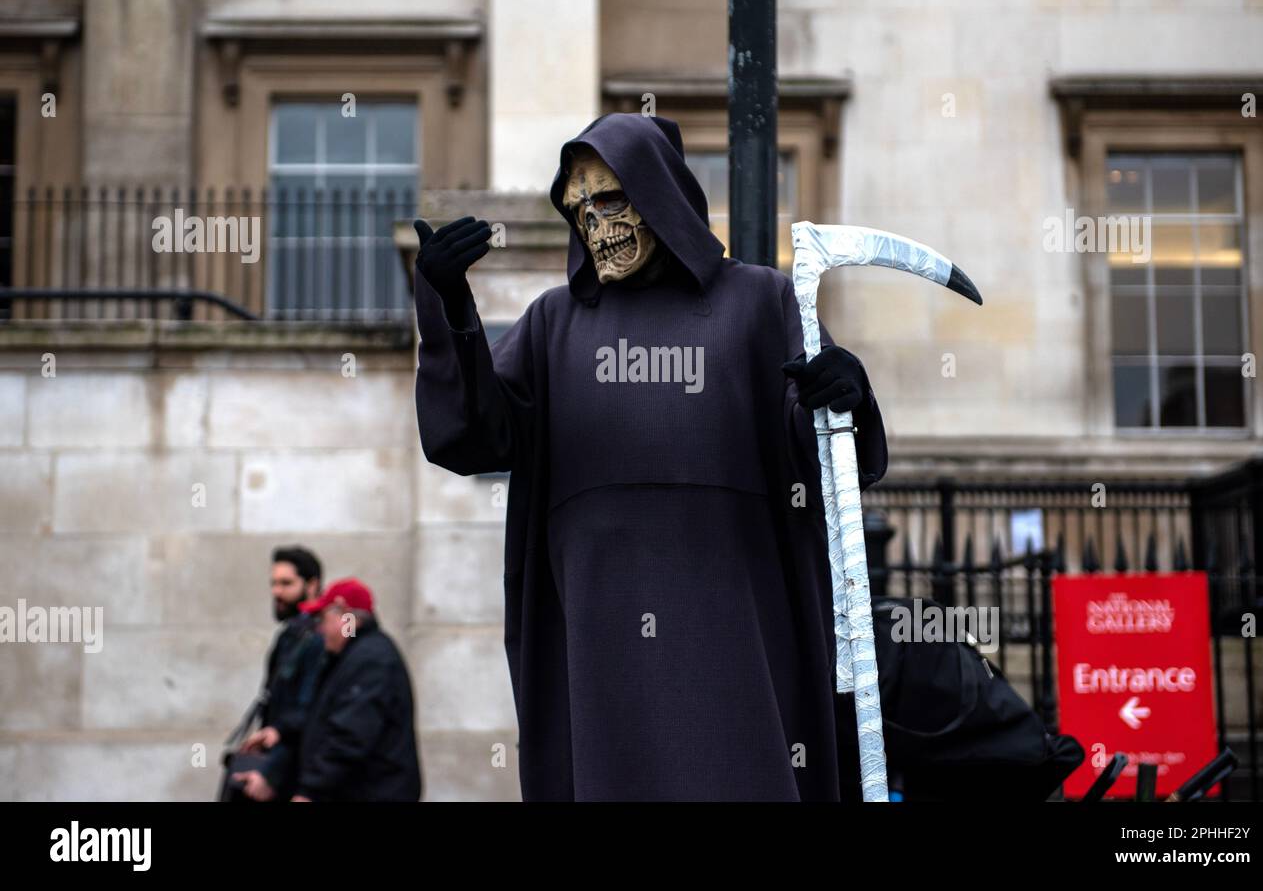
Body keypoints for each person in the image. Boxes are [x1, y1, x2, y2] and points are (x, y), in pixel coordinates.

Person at [412, 113, 888, 800]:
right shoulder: (552, 323)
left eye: (609, 199)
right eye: (579, 210)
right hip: (599, 624)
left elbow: (819, 447)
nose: (594, 224)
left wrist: (843, 395)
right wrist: (446, 303)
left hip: (735, 614)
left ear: (658, 192)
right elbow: (473, 434)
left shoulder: (759, 299)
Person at [289, 578, 422, 802]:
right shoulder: (353, 657)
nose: (320, 629)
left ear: (345, 615)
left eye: (323, 619)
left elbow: (350, 735)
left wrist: (311, 790)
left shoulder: (370, 660)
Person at [231, 546, 327, 802]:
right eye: (274, 583)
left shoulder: (319, 638)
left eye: (286, 583)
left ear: (312, 585)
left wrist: (273, 771)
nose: (277, 592)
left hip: (295, 772)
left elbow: (308, 711)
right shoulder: (290, 635)